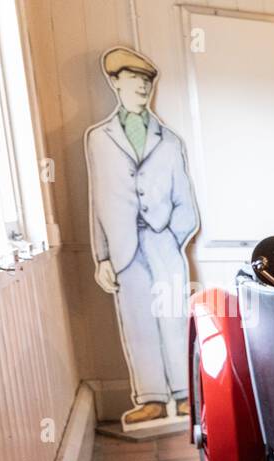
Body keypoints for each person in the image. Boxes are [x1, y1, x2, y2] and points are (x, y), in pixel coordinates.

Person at [85, 47, 199, 426]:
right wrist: (103, 255)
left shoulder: (169, 140)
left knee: (172, 316)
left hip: (163, 242)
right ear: (116, 82)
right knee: (136, 320)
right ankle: (150, 396)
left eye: (147, 83)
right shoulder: (100, 139)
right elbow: (96, 200)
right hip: (123, 245)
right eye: (134, 81)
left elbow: (185, 200)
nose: (142, 89)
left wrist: (170, 236)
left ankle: (184, 395)